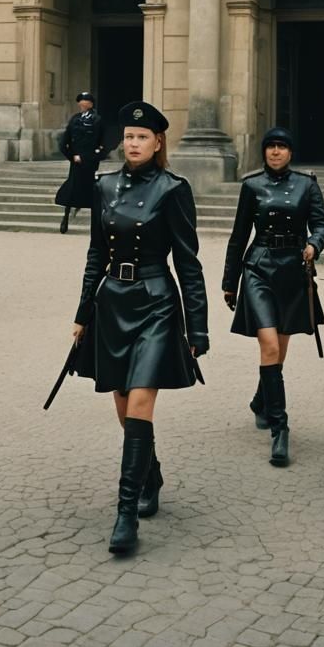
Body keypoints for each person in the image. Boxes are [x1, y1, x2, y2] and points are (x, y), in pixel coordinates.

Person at [72, 100, 208, 554]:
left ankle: (126, 514)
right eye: (129, 136)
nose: (133, 143)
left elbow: (189, 264)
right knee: (122, 402)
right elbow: (95, 253)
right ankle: (151, 473)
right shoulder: (104, 186)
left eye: (142, 137)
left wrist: (198, 329)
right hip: (112, 302)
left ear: (158, 142)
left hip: (155, 303)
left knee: (142, 401)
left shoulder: (173, 189)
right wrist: (82, 312)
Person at [221, 127, 324, 467]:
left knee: (278, 348)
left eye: (282, 146)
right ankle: (280, 429)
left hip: (293, 271)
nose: (275, 152)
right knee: (269, 345)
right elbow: (239, 235)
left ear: (290, 152)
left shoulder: (307, 185)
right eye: (270, 146)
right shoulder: (251, 185)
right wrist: (230, 281)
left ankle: (261, 400)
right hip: (259, 268)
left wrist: (314, 244)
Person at [55, 91, 105, 234]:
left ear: (90, 104)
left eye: (85, 101)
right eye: (80, 102)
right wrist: (72, 156)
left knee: (91, 191)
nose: (82, 104)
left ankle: (95, 225)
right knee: (72, 189)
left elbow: (102, 142)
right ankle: (66, 217)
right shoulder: (75, 119)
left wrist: (94, 157)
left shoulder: (97, 120)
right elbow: (65, 141)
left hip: (90, 163)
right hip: (76, 163)